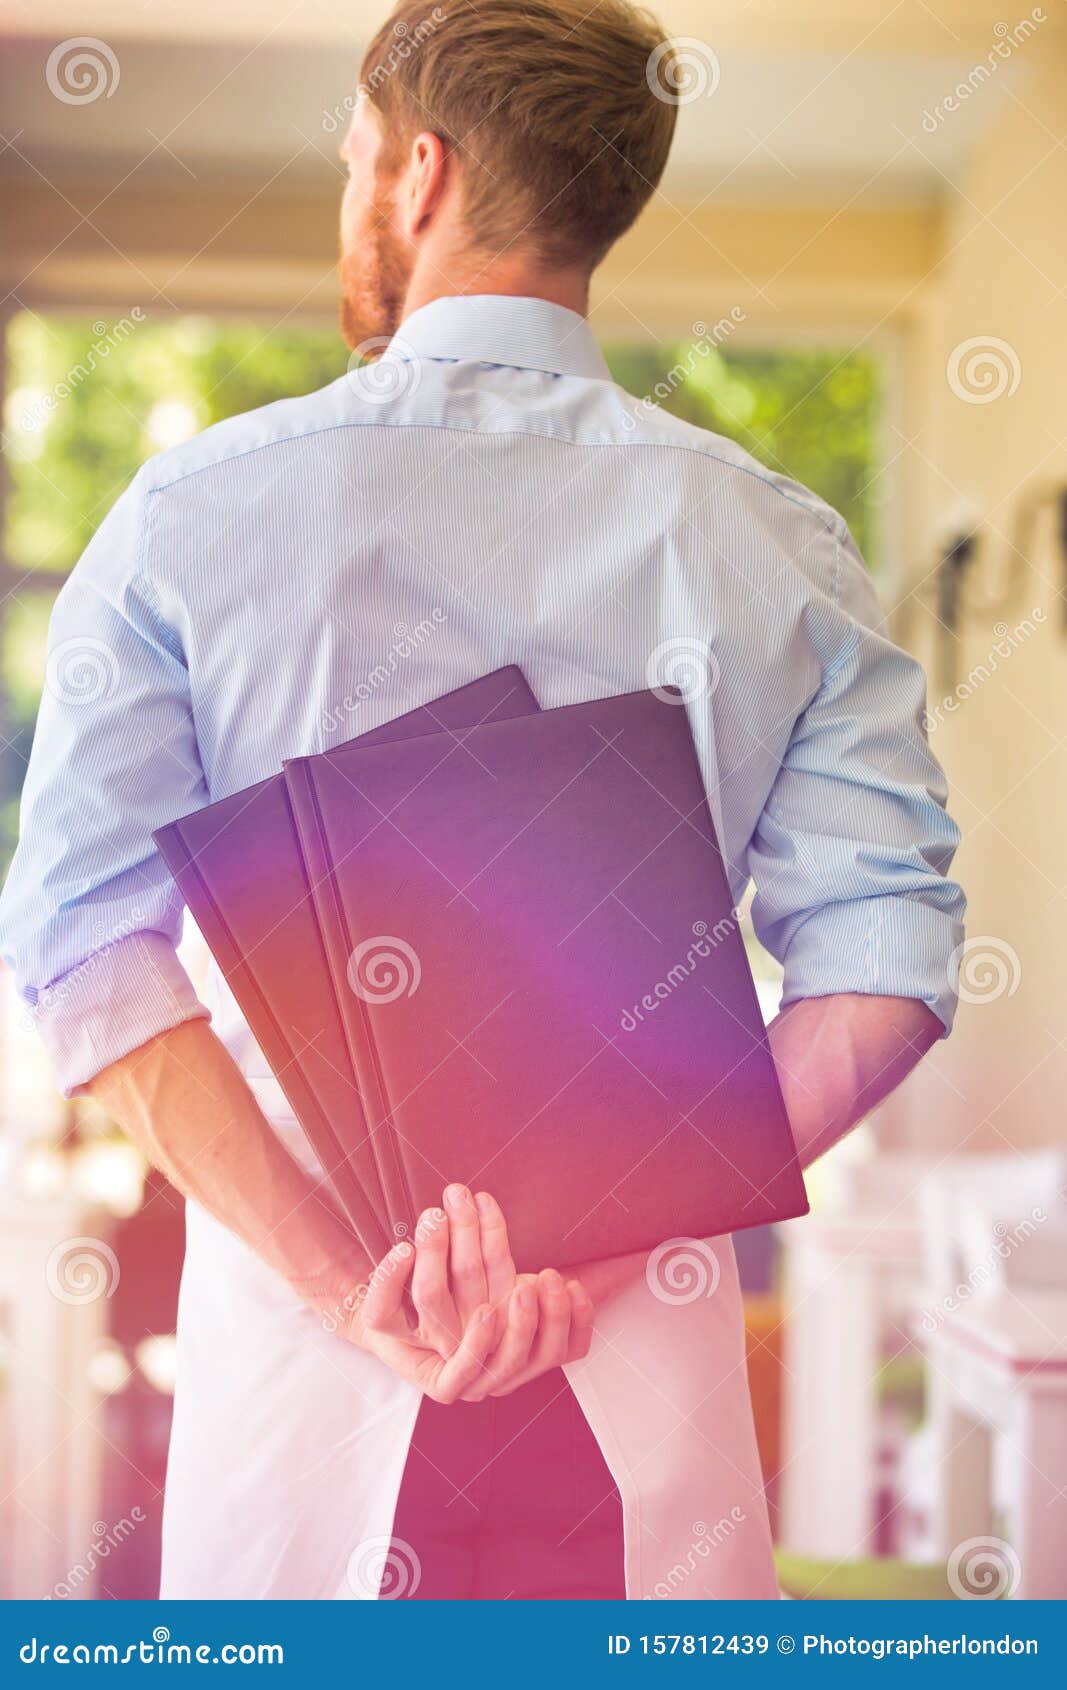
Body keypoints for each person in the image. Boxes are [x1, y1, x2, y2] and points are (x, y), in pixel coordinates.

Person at [0, 0, 965, 1599]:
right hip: (642, 1371)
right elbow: (888, 968)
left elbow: (82, 946)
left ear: (419, 172)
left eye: (351, 162)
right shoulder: (773, 538)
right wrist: (580, 1237)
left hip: (299, 1380)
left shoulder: (190, 514)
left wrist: (357, 1276)